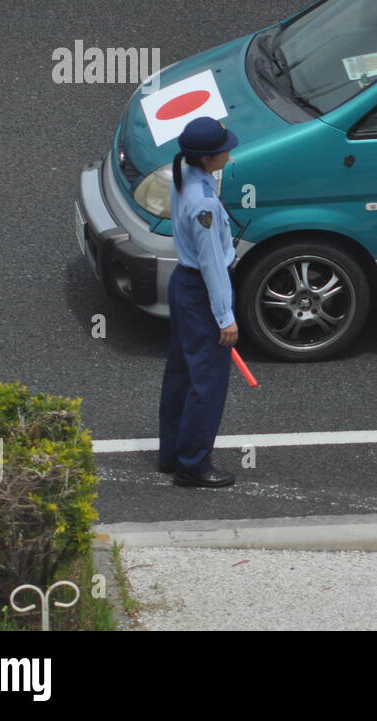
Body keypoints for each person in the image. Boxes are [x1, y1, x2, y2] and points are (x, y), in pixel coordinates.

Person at [157, 116, 241, 488]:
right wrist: (225, 317)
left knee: (181, 373)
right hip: (201, 291)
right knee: (207, 382)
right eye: (224, 149)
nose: (229, 152)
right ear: (207, 158)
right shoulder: (203, 205)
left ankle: (173, 452)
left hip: (184, 286)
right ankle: (193, 465)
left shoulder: (187, 179)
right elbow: (212, 265)